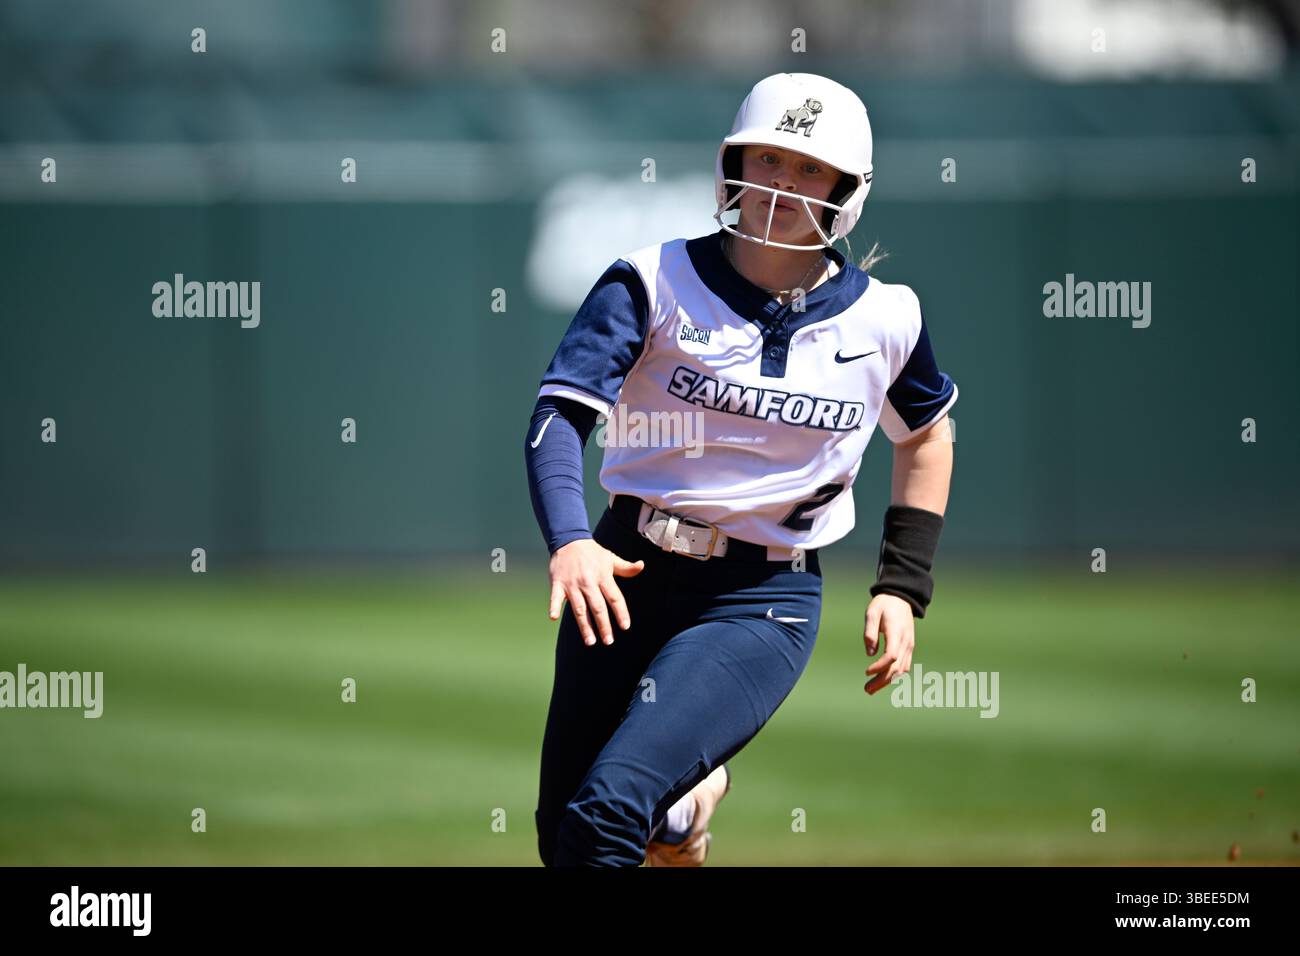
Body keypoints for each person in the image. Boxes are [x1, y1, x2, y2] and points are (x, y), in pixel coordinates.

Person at [525, 72, 957, 867]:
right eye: (766, 160)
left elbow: (927, 436)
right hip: (625, 576)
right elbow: (560, 417)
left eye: (808, 169)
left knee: (606, 815)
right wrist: (570, 538)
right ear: (732, 168)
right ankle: (684, 812)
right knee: (564, 837)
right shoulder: (651, 281)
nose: (781, 183)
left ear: (847, 190)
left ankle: (670, 804)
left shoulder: (886, 317)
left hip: (762, 599)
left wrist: (903, 584)